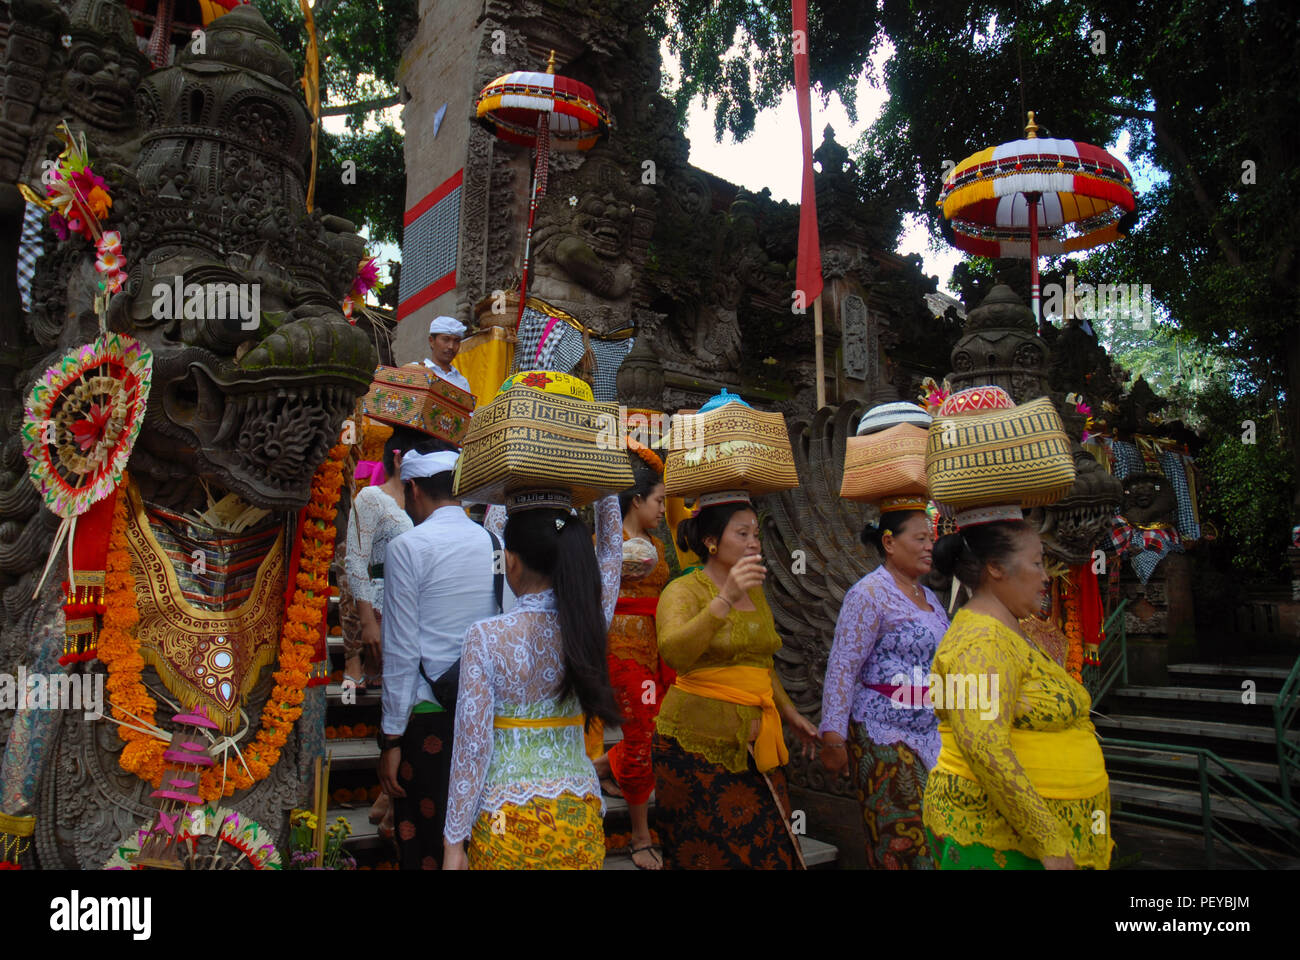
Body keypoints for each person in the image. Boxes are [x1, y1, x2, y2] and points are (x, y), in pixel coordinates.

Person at [443, 489, 623, 870]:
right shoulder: (590, 625)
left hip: (506, 819)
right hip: (578, 816)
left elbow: (472, 748)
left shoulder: (486, 637)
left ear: (509, 562)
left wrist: (453, 841)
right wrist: (606, 485)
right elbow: (610, 555)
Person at [922, 515, 1112, 870]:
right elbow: (985, 748)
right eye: (1038, 563)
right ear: (995, 567)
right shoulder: (980, 642)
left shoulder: (1014, 631)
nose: (1046, 577)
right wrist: (1050, 843)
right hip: (1002, 842)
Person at [652, 491, 820, 870]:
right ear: (711, 542)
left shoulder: (756, 592)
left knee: (770, 851)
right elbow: (674, 653)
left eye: (756, 535)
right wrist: (723, 599)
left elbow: (762, 662)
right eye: (742, 534)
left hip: (757, 743)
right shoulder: (683, 590)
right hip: (694, 748)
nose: (753, 544)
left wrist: (791, 714)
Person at [376, 450, 504, 869]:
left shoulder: (407, 547)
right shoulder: (495, 543)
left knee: (427, 838)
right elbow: (505, 615)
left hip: (428, 708)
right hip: (484, 707)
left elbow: (400, 651)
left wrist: (391, 738)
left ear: (413, 489)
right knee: (481, 830)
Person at [820, 499, 949, 869]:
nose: (930, 546)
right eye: (921, 538)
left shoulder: (932, 600)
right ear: (890, 542)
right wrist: (833, 736)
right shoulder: (868, 594)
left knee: (938, 838)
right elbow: (843, 665)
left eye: (932, 538)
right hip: (884, 736)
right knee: (903, 841)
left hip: (933, 735)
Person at [589, 451, 672, 869]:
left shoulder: (658, 545)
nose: (662, 508)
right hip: (619, 651)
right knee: (642, 736)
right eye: (658, 500)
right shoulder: (604, 544)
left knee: (650, 734)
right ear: (636, 500)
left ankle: (602, 764)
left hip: (654, 650)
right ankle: (641, 836)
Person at [423, 315, 473, 395]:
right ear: (432, 341)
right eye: (446, 339)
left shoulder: (462, 383)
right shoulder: (416, 370)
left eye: (456, 341)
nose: (451, 346)